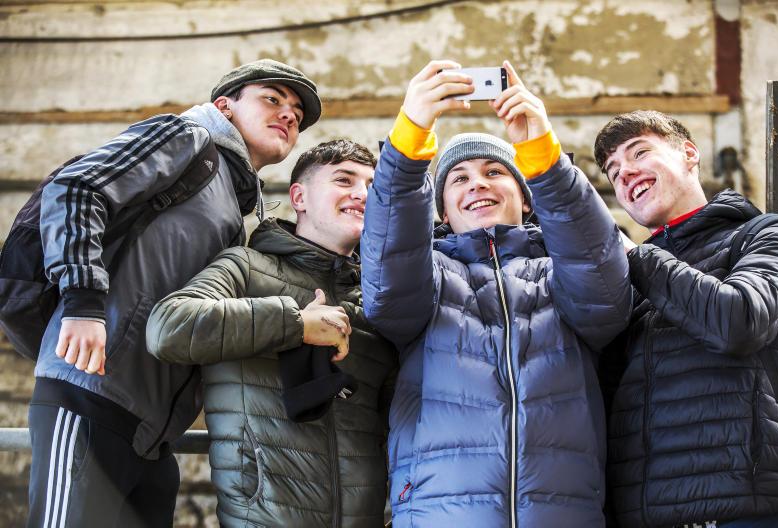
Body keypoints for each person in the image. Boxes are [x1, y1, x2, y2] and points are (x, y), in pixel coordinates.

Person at [28, 59, 321, 527]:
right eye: (273, 99)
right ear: (224, 107)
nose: (289, 114)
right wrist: (83, 305)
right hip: (92, 393)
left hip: (152, 432)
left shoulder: (236, 199)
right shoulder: (185, 138)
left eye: (297, 115)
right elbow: (76, 188)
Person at [360, 59, 632, 527]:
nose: (477, 183)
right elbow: (387, 278)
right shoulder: (430, 278)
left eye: (495, 172)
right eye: (459, 178)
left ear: (525, 196)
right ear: (441, 208)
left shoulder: (557, 273)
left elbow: (604, 292)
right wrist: (409, 144)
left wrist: (543, 157)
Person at [146, 139, 398, 527]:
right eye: (344, 180)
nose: (361, 194)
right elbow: (169, 326)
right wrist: (295, 324)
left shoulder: (379, 299)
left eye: (372, 186)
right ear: (299, 196)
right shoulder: (245, 266)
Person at [595, 110, 778, 528]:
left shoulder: (762, 235)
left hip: (745, 511)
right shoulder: (626, 282)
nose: (625, 172)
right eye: (613, 171)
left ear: (689, 153)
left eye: (639, 152)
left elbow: (740, 321)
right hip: (645, 516)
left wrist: (635, 255)